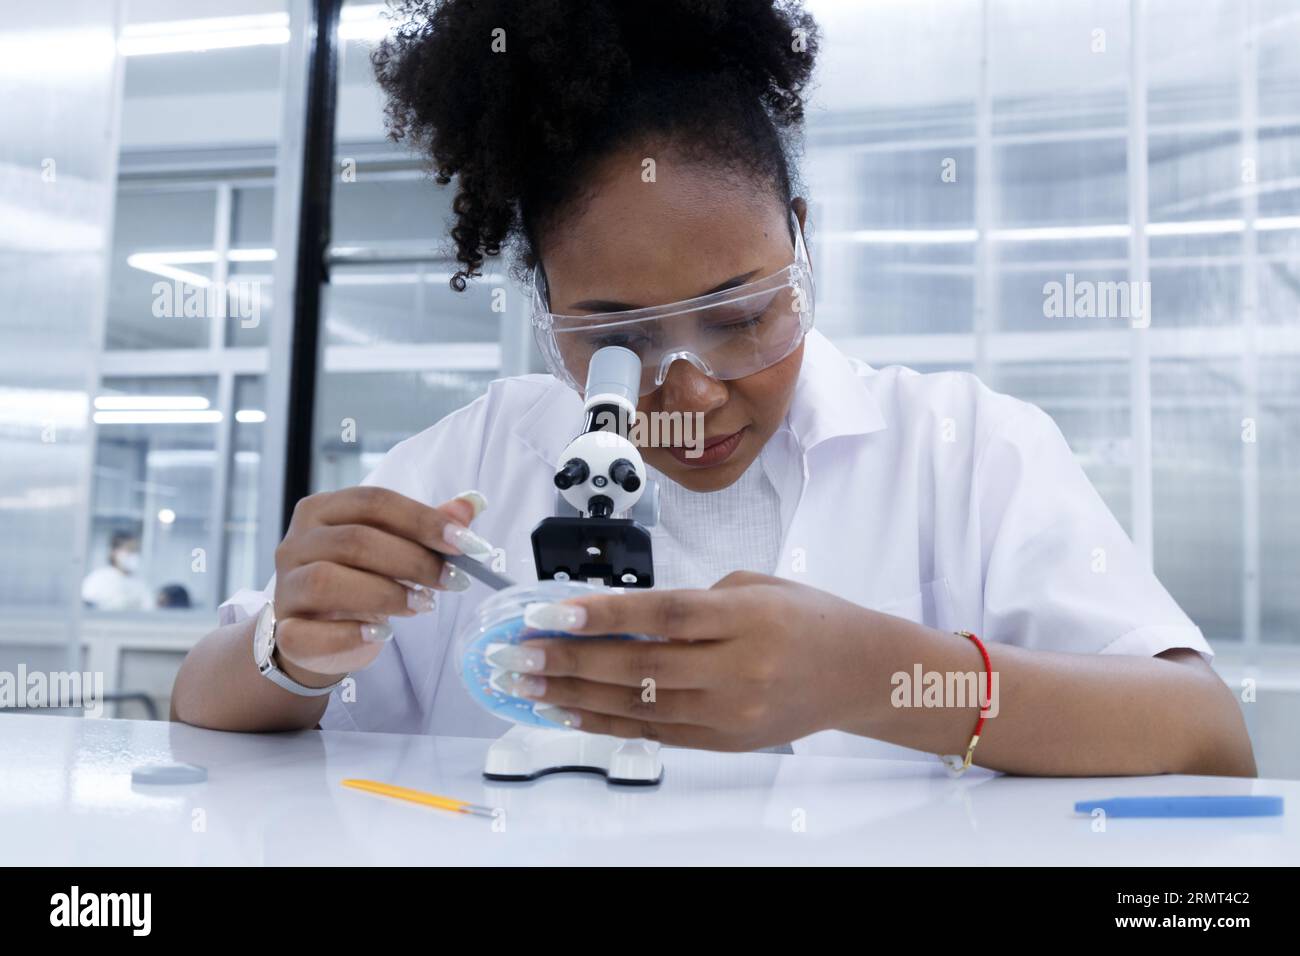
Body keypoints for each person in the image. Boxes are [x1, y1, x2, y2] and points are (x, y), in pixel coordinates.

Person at [172, 0, 1254, 776]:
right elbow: (203, 702)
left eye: (742, 316)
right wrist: (295, 648)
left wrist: (879, 676)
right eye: (613, 339)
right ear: (543, 305)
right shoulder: (479, 458)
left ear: (801, 243)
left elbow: (1204, 734)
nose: (687, 394)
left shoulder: (963, 447)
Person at [82, 529, 151, 611]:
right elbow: (87, 605)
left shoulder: (140, 584)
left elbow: (149, 609)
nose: (133, 555)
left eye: (136, 551)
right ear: (114, 552)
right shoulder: (97, 579)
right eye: (129, 550)